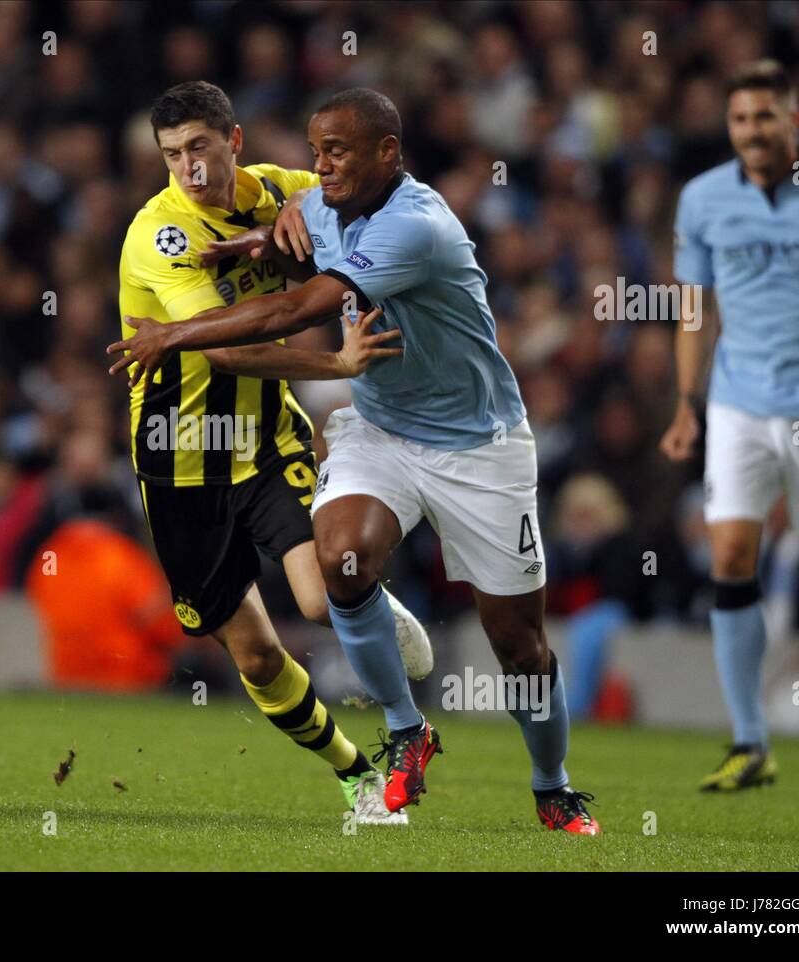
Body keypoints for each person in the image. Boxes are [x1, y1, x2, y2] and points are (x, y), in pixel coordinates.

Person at [110, 87, 600, 834]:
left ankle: (553, 787)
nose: (321, 166)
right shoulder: (236, 215)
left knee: (519, 645)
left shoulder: (412, 223)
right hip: (332, 435)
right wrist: (273, 236)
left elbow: (289, 311)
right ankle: (402, 737)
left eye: (337, 152)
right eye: (316, 152)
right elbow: (302, 221)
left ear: (387, 154)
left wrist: (172, 335)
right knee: (326, 582)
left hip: (479, 447)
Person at [117, 81, 432, 825]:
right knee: (255, 657)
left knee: (325, 595)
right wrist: (337, 367)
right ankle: (353, 771)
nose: (187, 169)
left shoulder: (290, 190)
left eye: (198, 147)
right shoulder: (159, 234)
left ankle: (377, 616)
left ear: (233, 142)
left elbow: (396, 200)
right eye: (171, 155)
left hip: (264, 441)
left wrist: (300, 207)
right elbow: (226, 350)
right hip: (179, 459)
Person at [660, 60, 799, 792]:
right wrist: (687, 402)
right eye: (740, 119)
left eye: (766, 117)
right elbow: (693, 308)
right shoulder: (704, 199)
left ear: (792, 121)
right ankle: (750, 740)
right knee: (731, 554)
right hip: (740, 401)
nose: (752, 131)